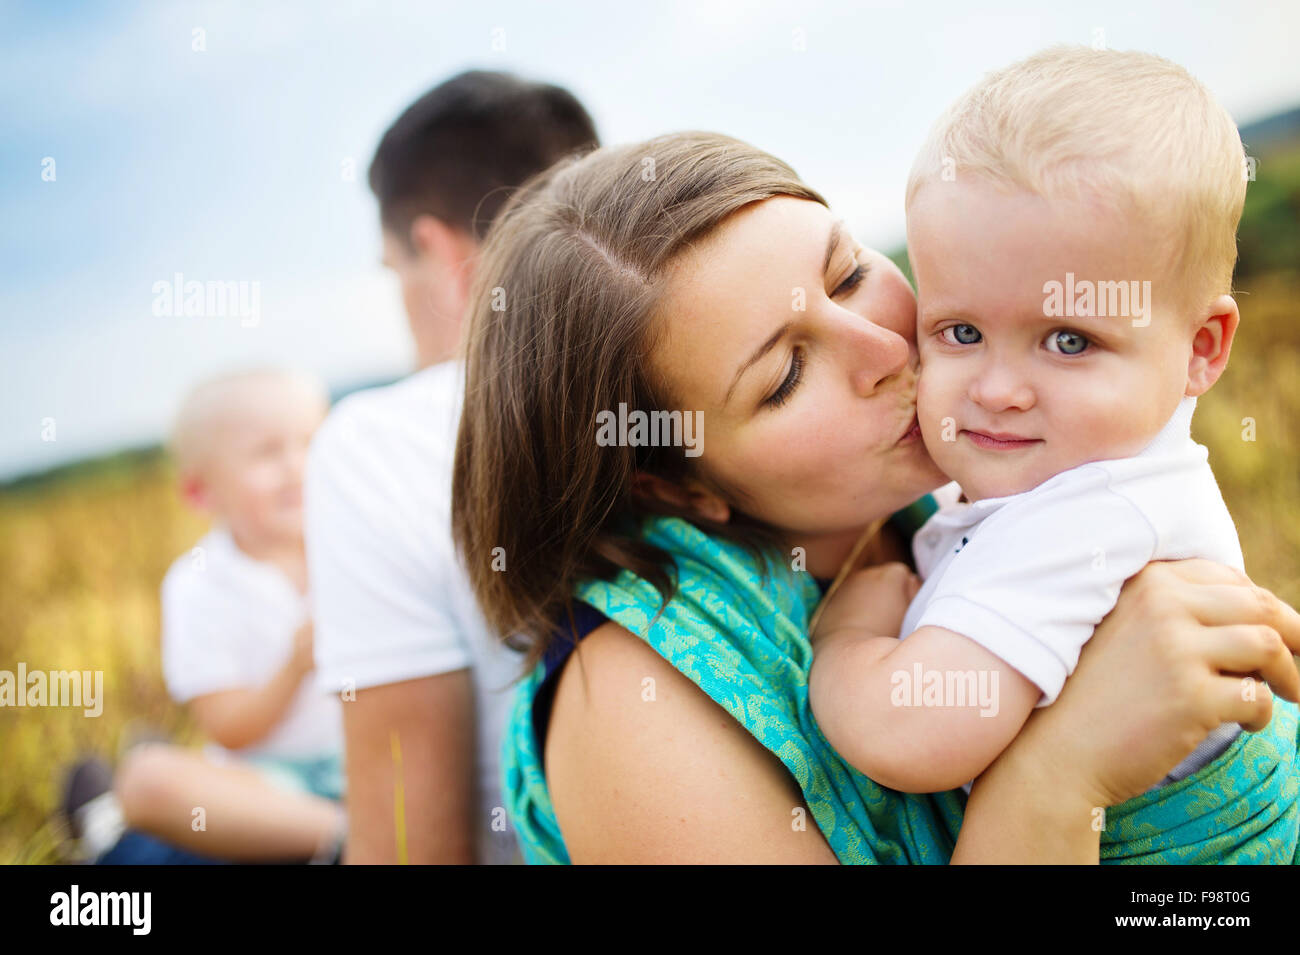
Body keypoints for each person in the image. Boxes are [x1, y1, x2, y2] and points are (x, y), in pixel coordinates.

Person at [450, 130, 1300, 863]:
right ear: (672, 482)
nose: (885, 347)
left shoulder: (948, 487)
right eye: (785, 375)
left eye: (850, 272)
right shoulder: (631, 705)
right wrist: (1061, 771)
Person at [805, 48, 1297, 863]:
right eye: (961, 332)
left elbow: (915, 728)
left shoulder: (1089, 515)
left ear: (1201, 349)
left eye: (1070, 340)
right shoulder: (1088, 478)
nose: (998, 388)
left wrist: (848, 635)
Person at [304, 70, 599, 864]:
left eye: (394, 270)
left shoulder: (376, 443)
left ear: (436, 250)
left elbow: (407, 848)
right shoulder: (695, 377)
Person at [66, 369, 347, 865]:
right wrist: (293, 668)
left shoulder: (354, 539)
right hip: (264, 783)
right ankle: (108, 833)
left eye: (310, 442)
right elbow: (229, 728)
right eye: (267, 452)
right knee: (152, 782)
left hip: (363, 761)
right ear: (202, 493)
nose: (297, 466)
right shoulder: (199, 584)